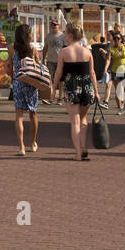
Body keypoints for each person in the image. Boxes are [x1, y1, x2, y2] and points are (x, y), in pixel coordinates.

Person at [53, 24, 96, 160]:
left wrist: (54, 88)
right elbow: (92, 72)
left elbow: (59, 72)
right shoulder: (87, 52)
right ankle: (84, 147)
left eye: (65, 33)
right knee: (83, 120)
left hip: (72, 86)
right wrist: (96, 91)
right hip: (87, 86)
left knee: (74, 121)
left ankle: (78, 153)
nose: (64, 35)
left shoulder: (64, 52)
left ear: (70, 35)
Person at [10, 24, 42, 156]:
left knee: (19, 115)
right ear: (28, 35)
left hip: (18, 83)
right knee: (33, 114)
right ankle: (32, 143)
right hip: (31, 84)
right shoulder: (33, 50)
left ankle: (21, 147)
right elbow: (39, 66)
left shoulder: (12, 49)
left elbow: (9, 67)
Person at [108, 29, 125, 115]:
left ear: (121, 39)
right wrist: (105, 69)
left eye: (118, 38)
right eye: (114, 38)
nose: (116, 40)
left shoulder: (124, 46)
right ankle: (119, 108)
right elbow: (108, 60)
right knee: (118, 91)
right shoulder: (111, 49)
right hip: (115, 71)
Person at [42, 27, 64, 106]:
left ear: (59, 26)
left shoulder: (62, 36)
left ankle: (60, 98)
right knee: (51, 79)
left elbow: (65, 48)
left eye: (55, 25)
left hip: (60, 61)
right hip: (50, 60)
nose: (53, 26)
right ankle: (51, 97)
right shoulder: (48, 36)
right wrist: (43, 58)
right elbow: (45, 47)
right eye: (52, 25)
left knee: (60, 80)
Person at [89, 32, 111, 108]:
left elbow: (108, 57)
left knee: (114, 85)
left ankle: (120, 101)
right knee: (108, 85)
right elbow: (106, 58)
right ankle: (105, 102)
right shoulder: (107, 45)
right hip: (107, 66)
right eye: (107, 35)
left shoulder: (114, 45)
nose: (107, 37)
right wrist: (103, 53)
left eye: (109, 35)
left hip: (115, 66)